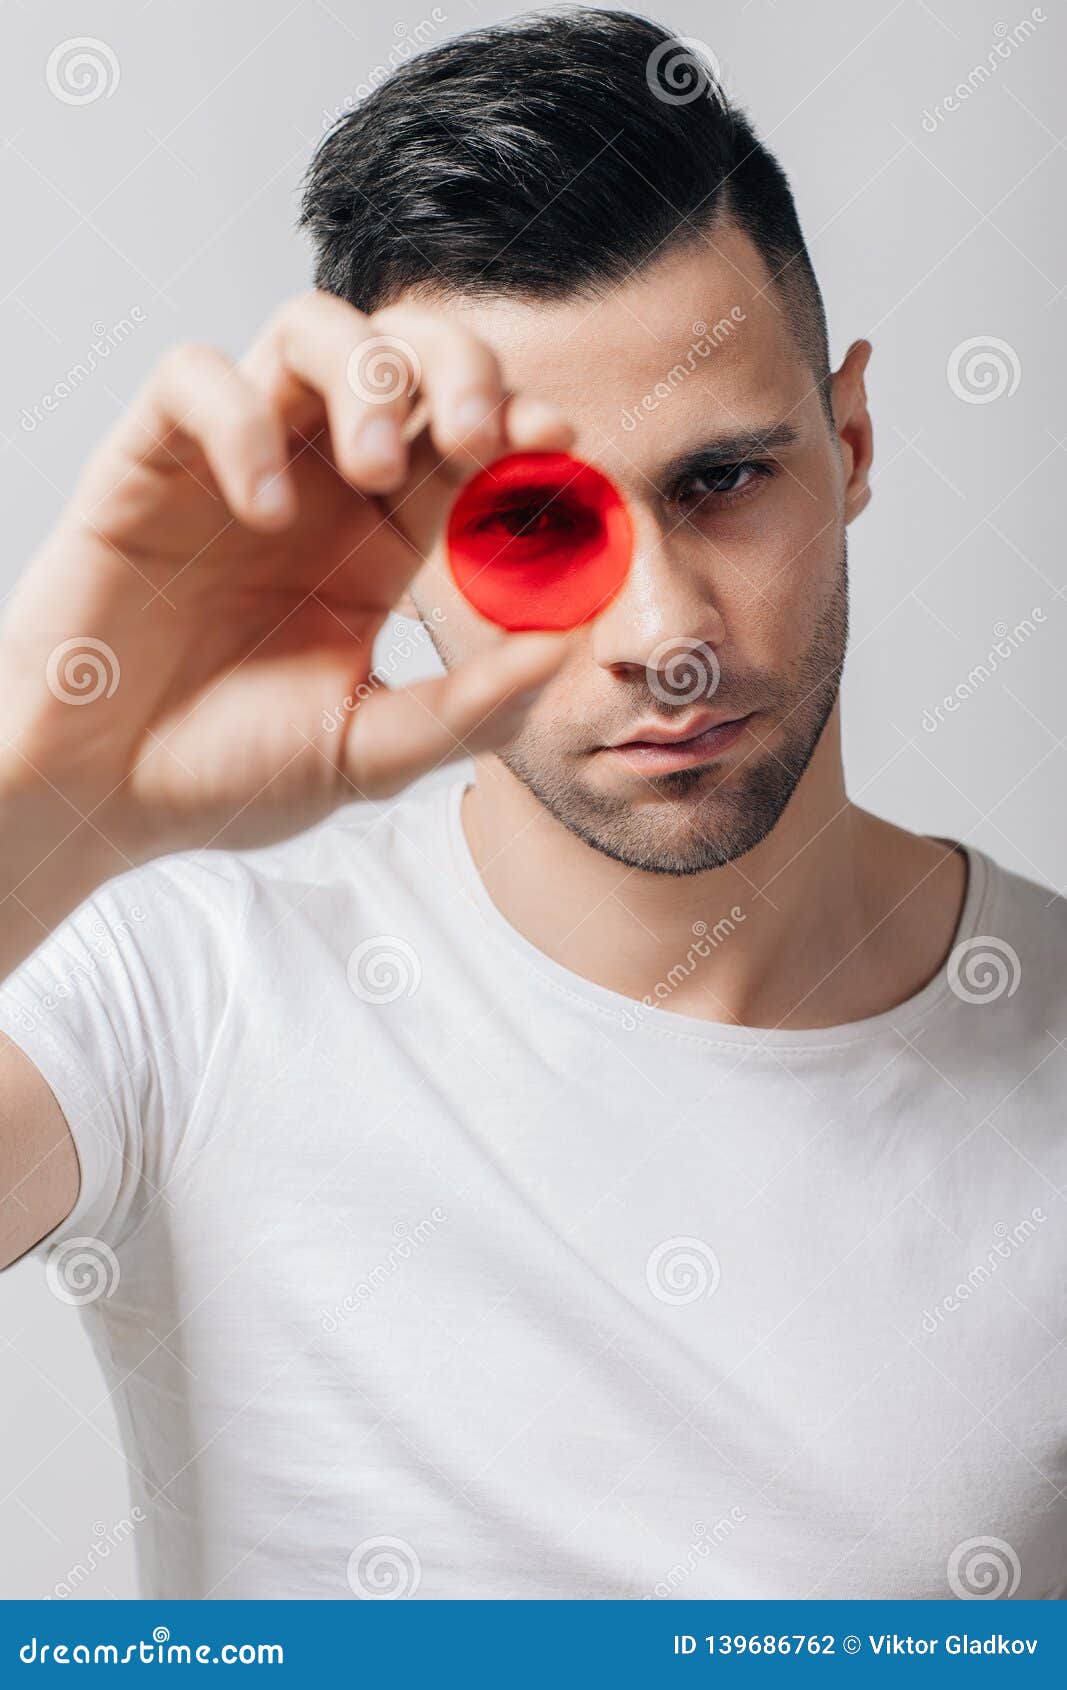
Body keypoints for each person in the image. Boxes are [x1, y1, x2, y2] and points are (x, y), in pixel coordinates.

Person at [1, 8, 1063, 1602]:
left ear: (849, 443)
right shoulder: (176, 986)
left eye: (723, 480)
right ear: (396, 539)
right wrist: (46, 791)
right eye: (537, 522)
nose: (668, 635)